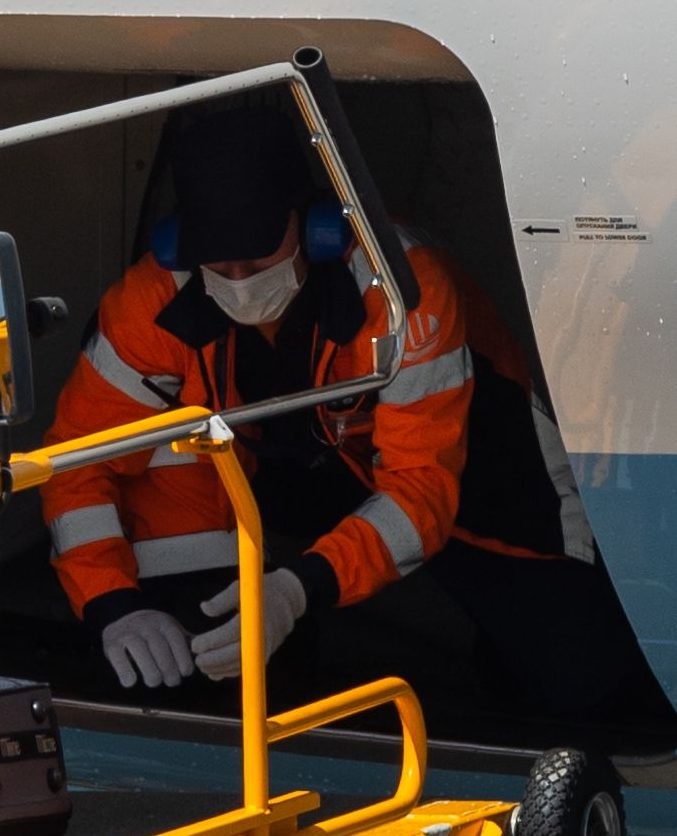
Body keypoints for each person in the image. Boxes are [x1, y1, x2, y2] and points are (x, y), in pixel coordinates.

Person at [37, 94, 621, 719]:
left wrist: (296, 588)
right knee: (168, 509)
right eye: (219, 258)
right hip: (289, 475)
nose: (238, 277)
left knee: (575, 688)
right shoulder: (150, 304)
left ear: (312, 226)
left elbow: (420, 491)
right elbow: (77, 463)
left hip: (474, 484)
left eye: (258, 254)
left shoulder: (402, 289)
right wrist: (110, 603)